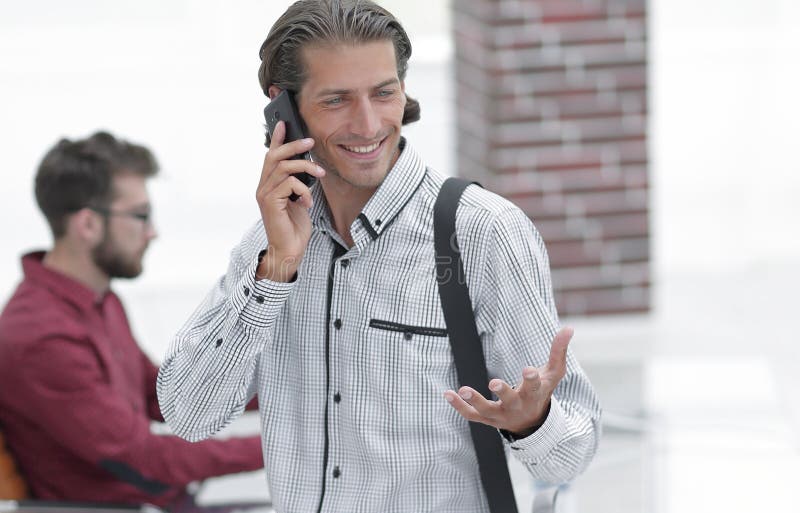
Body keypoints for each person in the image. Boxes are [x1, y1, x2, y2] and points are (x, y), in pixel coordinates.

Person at [157, 1, 602, 512]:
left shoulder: (484, 234)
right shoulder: (267, 247)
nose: (368, 124)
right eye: (337, 100)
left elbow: (571, 456)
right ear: (284, 109)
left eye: (383, 93)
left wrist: (531, 421)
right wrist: (275, 273)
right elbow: (189, 417)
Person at [0, 131, 265, 512]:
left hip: (166, 502)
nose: (152, 231)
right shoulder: (40, 335)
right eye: (140, 216)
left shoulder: (101, 300)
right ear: (88, 225)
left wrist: (278, 389)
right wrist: (284, 442)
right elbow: (147, 457)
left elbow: (160, 394)